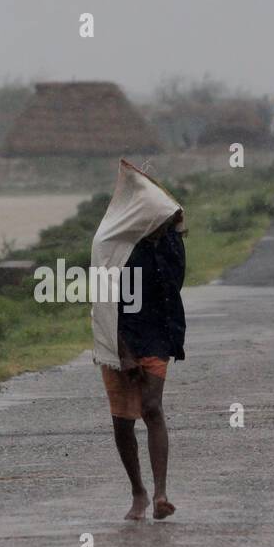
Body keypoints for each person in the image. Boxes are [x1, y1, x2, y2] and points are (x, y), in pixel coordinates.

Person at [90, 159, 186, 521]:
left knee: (151, 407)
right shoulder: (111, 245)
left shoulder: (170, 245)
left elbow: (171, 294)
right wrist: (124, 353)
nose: (163, 226)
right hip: (118, 341)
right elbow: (105, 302)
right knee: (122, 421)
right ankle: (138, 491)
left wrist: (169, 342)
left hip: (156, 337)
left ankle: (161, 493)